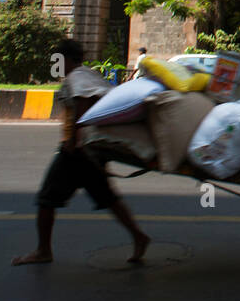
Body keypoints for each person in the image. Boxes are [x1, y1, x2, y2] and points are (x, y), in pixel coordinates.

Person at [12, 39, 150, 266]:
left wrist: (74, 141)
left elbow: (82, 105)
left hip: (77, 151)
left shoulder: (77, 77)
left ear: (65, 59)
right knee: (107, 198)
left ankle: (43, 250)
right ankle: (139, 236)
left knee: (46, 199)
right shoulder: (88, 74)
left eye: (57, 59)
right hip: (90, 149)